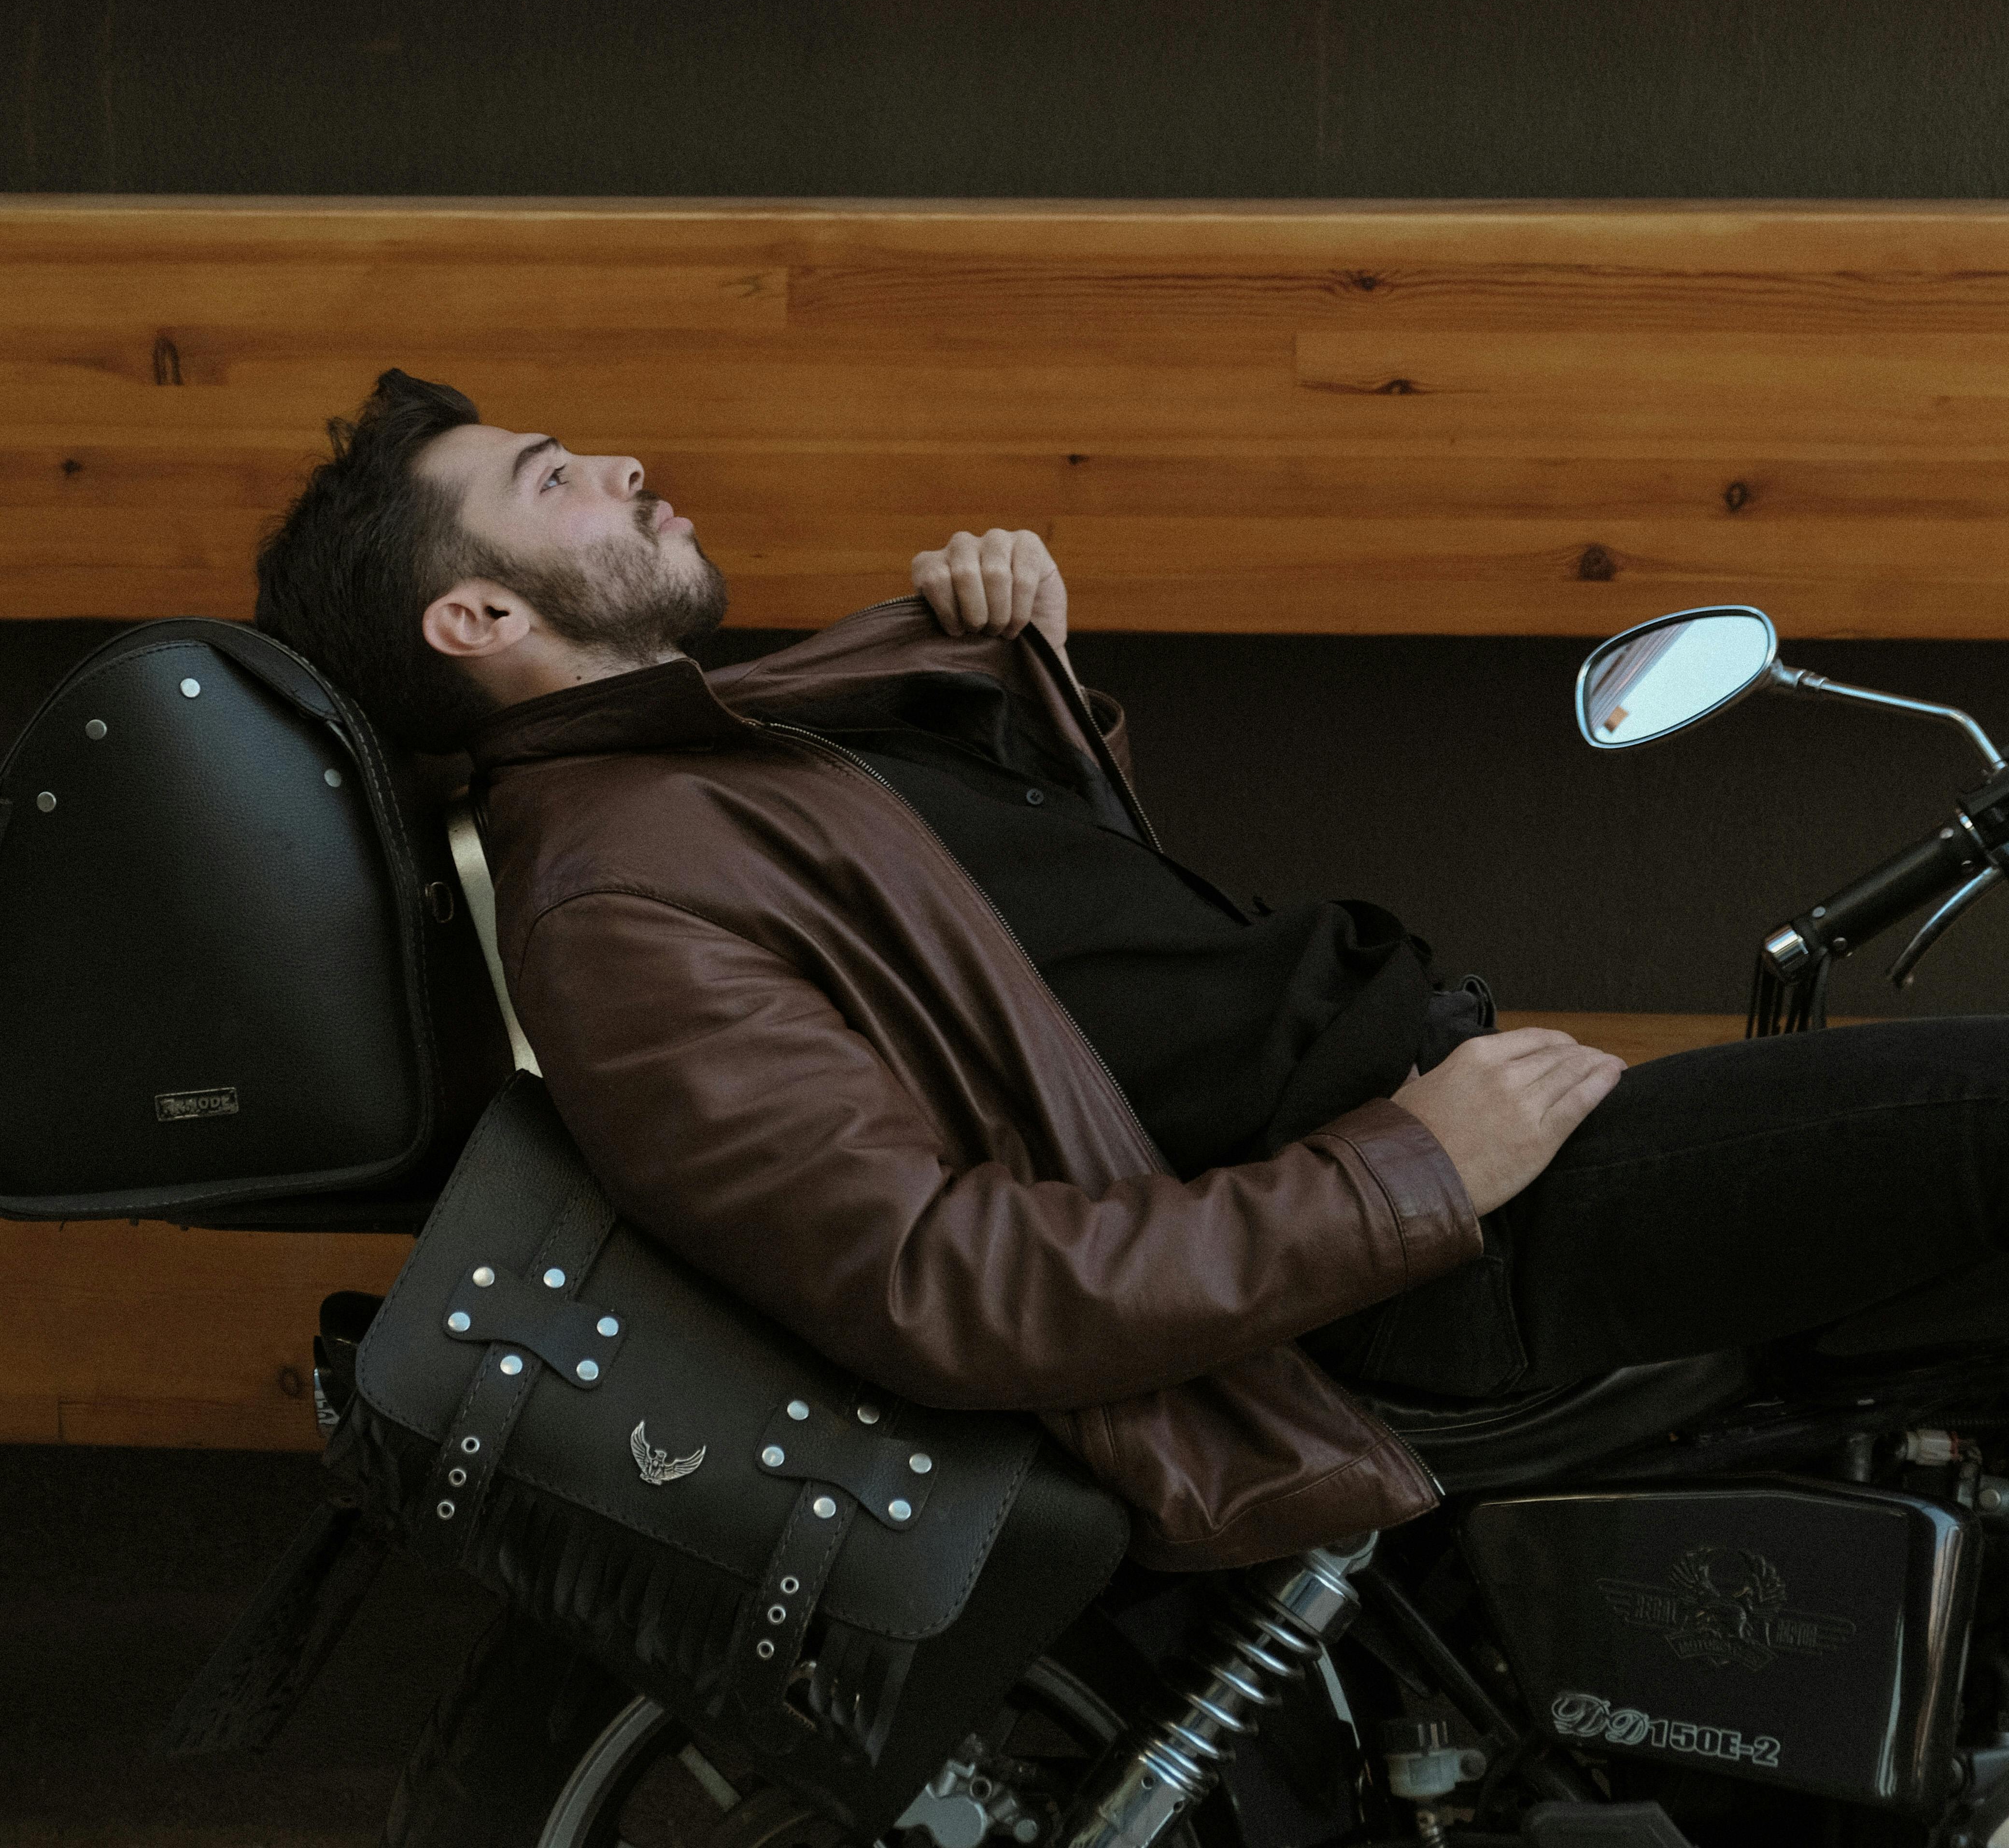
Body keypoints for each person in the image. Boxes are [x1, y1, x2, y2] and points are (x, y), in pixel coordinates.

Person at [255, 370, 2009, 1564]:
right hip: (1411, 1276)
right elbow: (946, 1282)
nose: (621, 465)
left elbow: (1068, 999)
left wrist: (1021, 678)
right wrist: (1415, 1172)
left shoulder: (713, 760)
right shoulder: (620, 902)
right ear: (476, 622)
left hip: (1425, 1179)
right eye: (551, 482)